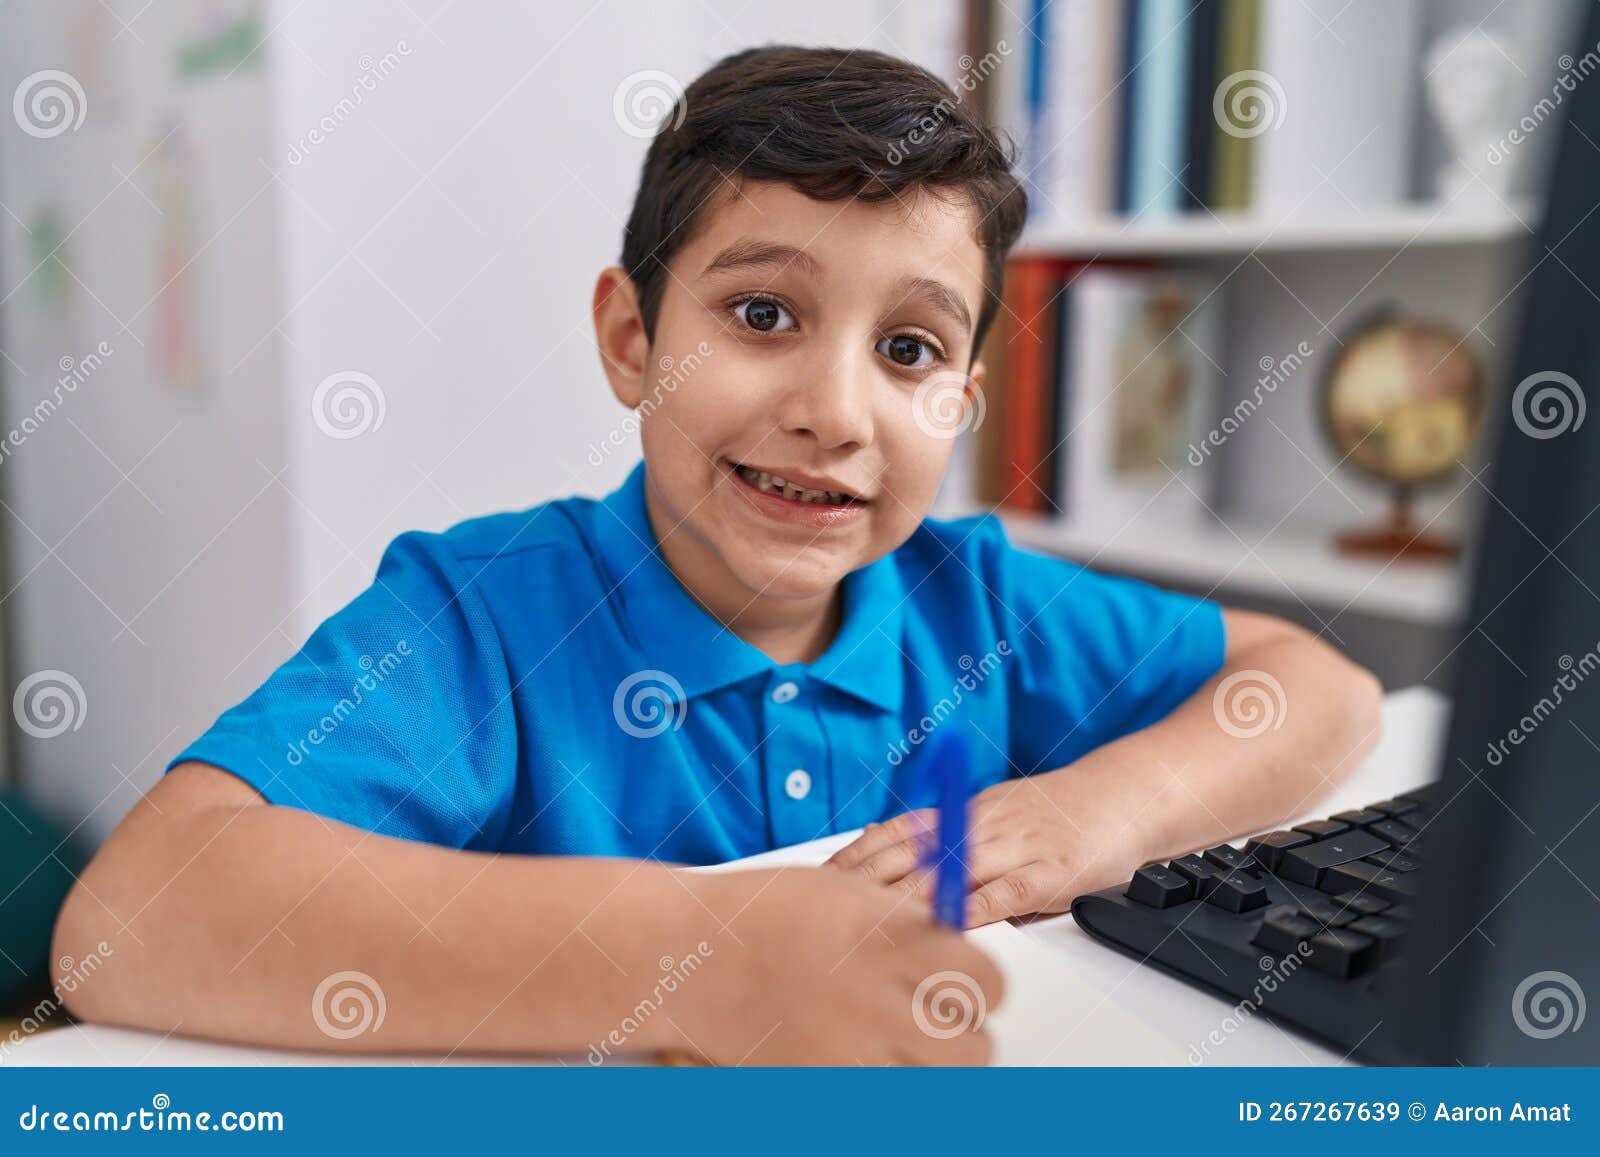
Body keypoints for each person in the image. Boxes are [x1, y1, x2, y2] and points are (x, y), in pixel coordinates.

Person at [53, 46, 1380, 1065]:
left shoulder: (974, 598)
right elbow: (135, 915)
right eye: (762, 312)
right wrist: (702, 957)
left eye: (908, 349)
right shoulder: (490, 613)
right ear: (632, 338)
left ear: (962, 403)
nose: (835, 410)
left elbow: (1317, 687)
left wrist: (1100, 816)